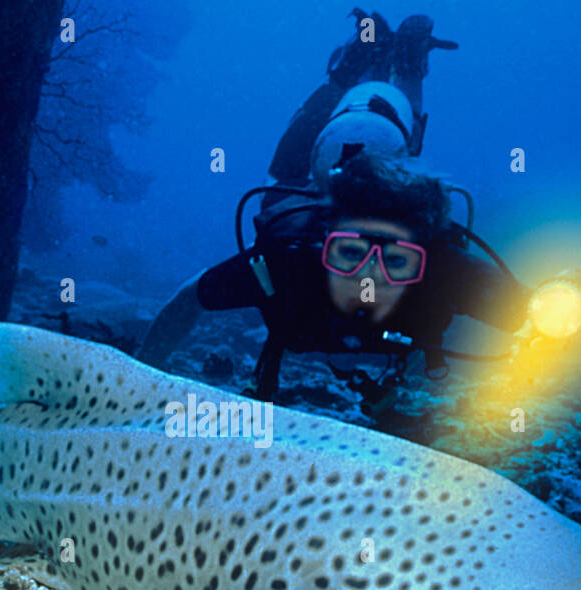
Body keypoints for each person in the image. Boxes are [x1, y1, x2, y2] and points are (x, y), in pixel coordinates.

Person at [137, 10, 541, 403]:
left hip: (344, 170)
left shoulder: (439, 270)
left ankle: (359, 73)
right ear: (320, 249)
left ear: (422, 261)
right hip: (314, 182)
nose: (369, 282)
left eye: (396, 262)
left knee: (320, 154)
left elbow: (533, 309)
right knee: (315, 165)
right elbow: (196, 293)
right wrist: (137, 384)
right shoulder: (289, 260)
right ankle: (379, 69)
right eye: (349, 254)